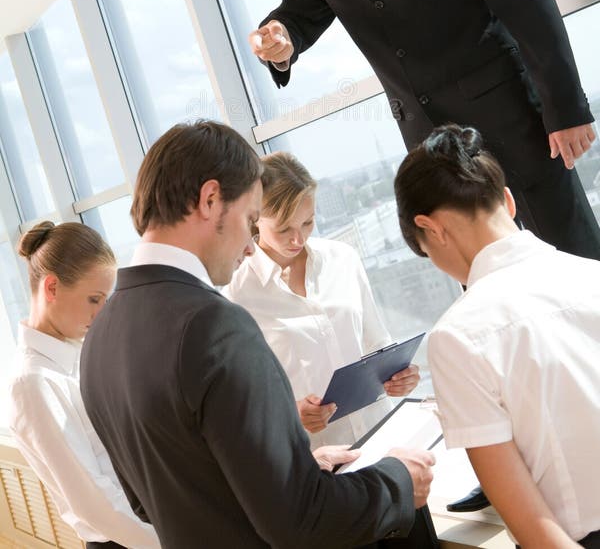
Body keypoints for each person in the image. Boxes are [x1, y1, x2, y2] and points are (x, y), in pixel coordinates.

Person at [79, 120, 436, 549]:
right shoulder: (214, 325)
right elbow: (300, 520)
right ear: (210, 200)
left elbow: (146, 502)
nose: (251, 247)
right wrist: (398, 479)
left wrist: (293, 470)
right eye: (251, 221)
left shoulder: (97, 338)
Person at [236, 0, 600, 261]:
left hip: (512, 125)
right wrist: (279, 34)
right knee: (483, 281)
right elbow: (298, 11)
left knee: (573, 263)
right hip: (434, 155)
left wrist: (565, 107)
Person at [393, 123, 600, 549]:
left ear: (431, 229)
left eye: (426, 252)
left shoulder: (457, 337)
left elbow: (532, 527)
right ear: (507, 200)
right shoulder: (593, 275)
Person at [224, 150, 420, 448]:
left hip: (382, 434)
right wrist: (291, 413)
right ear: (256, 218)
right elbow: (242, 397)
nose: (298, 239)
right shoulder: (236, 293)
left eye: (307, 222)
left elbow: (376, 342)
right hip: (317, 453)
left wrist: (401, 376)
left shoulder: (343, 259)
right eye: (284, 229)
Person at [8, 221, 160, 549]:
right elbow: (95, 504)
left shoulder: (80, 356)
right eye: (94, 299)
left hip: (145, 525)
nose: (102, 313)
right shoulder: (33, 383)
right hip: (127, 540)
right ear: (51, 288)